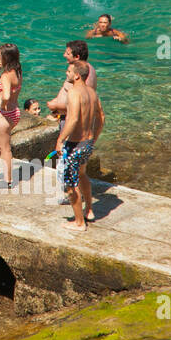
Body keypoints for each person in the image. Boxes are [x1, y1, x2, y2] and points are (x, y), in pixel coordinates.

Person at [54, 61, 104, 231]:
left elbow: (73, 119)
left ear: (77, 75)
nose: (66, 73)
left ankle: (79, 222)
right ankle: (89, 210)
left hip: (75, 145)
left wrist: (60, 139)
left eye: (68, 71)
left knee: (70, 183)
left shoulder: (74, 92)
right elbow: (101, 118)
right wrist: (94, 138)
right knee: (82, 175)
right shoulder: (92, 93)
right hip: (88, 142)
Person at [0, 43, 22, 189]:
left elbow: (6, 94)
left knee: (5, 148)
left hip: (3, 115)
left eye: (0, 54)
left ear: (6, 56)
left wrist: (1, 103)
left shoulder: (7, 77)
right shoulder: (17, 71)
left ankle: (8, 180)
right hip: (14, 113)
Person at [47, 40, 98, 119]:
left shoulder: (85, 74)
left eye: (67, 54)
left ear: (77, 57)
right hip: (65, 114)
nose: (64, 55)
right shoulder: (77, 70)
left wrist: (56, 105)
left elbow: (82, 102)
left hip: (71, 118)